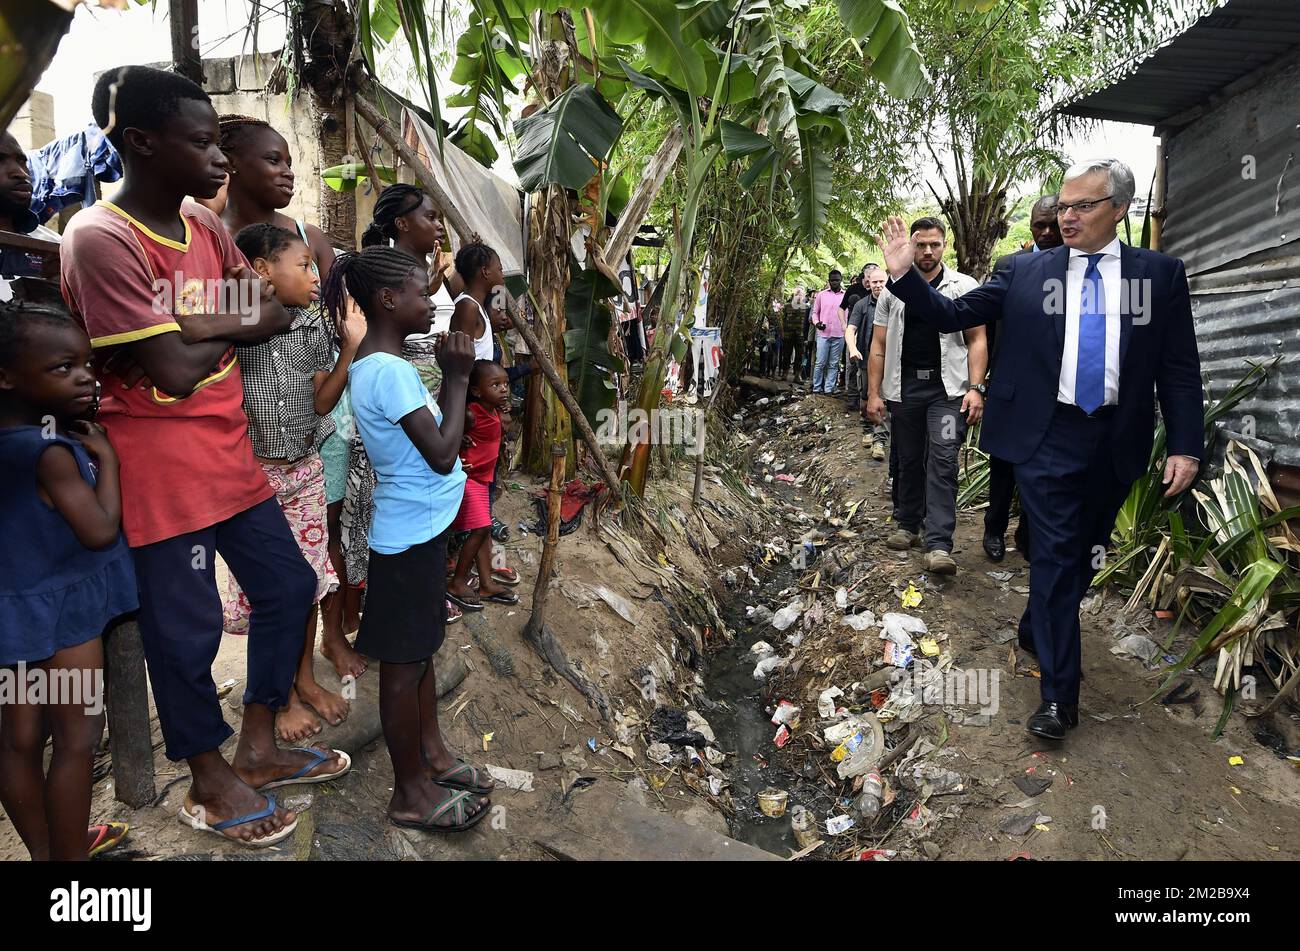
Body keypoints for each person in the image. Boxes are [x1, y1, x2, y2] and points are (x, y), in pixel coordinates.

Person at [61, 65, 349, 848]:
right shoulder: (100, 240)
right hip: (160, 471)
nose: (219, 156)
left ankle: (257, 745)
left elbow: (263, 309)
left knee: (288, 586)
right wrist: (212, 327)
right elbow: (174, 370)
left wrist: (185, 322)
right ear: (142, 144)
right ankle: (206, 773)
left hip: (229, 453)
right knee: (184, 631)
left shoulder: (202, 223)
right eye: (200, 141)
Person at [877, 158, 1203, 740]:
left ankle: (1040, 618)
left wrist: (1185, 444)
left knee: (1085, 552)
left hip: (1114, 438)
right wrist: (905, 277)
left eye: (1082, 206)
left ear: (1118, 210)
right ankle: (1059, 697)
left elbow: (1178, 369)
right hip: (1045, 435)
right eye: (1063, 204)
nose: (1066, 215)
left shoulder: (1159, 275)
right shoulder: (1025, 271)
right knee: (1053, 554)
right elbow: (955, 313)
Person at [324, 245, 494, 831]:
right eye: (424, 293)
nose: (432, 303)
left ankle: (432, 755)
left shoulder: (382, 365)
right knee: (403, 667)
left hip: (419, 531)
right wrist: (458, 375)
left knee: (420, 655)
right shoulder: (388, 372)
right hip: (407, 541)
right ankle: (409, 793)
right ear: (389, 301)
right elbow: (445, 454)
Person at [215, 114, 368, 678]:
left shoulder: (308, 236)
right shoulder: (213, 241)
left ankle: (323, 646)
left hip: (313, 417)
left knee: (318, 537)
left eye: (289, 161)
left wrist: (347, 353)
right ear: (232, 165)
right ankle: (279, 680)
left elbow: (333, 320)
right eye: (272, 161)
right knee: (269, 567)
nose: (287, 172)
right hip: (251, 450)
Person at [0, 300, 137, 860]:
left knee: (18, 742)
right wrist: (110, 462)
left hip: (12, 613)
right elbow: (100, 531)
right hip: (64, 616)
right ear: (6, 376)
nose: (85, 376)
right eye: (62, 368)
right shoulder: (50, 452)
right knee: (78, 740)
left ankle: (44, 855)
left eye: (86, 363)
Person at [223, 223, 365, 741]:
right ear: (262, 272)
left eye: (313, 265)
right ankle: (276, 697)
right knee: (270, 593)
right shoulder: (237, 327)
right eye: (303, 265)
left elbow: (322, 401)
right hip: (254, 478)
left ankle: (304, 678)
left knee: (308, 580)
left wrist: (349, 349)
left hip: (304, 470)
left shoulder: (313, 327)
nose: (313, 275)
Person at [866, 217, 986, 576]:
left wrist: (976, 388)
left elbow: (977, 338)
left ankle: (938, 544)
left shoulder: (963, 286)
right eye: (921, 245)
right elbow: (879, 344)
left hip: (948, 392)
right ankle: (908, 524)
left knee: (944, 459)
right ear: (911, 247)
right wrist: (873, 393)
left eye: (935, 244)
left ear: (945, 245)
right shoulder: (891, 291)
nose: (928, 251)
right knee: (908, 458)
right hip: (905, 390)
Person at [983, 194, 1062, 562]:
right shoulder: (1009, 264)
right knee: (1003, 466)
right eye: (1038, 226)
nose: (1046, 232)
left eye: (1052, 225)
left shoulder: (1076, 268)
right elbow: (987, 321)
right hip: (1010, 383)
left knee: (1043, 470)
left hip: (1054, 390)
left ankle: (1028, 536)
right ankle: (993, 530)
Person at [447, 360, 520, 611]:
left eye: (505, 384)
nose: (503, 389)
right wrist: (458, 453)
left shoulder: (495, 410)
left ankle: (486, 583)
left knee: (484, 530)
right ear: (477, 391)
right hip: (470, 478)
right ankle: (457, 581)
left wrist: (505, 410)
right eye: (495, 385)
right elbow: (449, 434)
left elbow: (507, 429)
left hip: (484, 478)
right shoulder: (471, 413)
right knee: (480, 529)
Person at [846, 266, 886, 421]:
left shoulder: (895, 303)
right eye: (874, 282)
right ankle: (868, 427)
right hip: (866, 358)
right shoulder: (861, 305)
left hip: (889, 359)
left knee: (886, 397)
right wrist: (853, 348)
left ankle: (882, 435)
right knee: (866, 395)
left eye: (881, 281)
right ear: (869, 283)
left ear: (887, 282)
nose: (878, 285)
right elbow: (850, 329)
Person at [809, 269, 845, 394]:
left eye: (837, 280)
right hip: (823, 335)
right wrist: (817, 323)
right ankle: (816, 388)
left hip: (839, 334)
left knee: (834, 364)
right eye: (832, 280)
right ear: (829, 281)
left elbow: (849, 314)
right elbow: (815, 313)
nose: (834, 282)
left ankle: (829, 389)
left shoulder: (845, 296)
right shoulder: (821, 295)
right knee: (820, 362)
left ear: (841, 280)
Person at [780, 288, 806, 381]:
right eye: (797, 294)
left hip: (800, 335)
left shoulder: (806, 307)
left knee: (800, 355)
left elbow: (806, 323)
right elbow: (782, 320)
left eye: (800, 294)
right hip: (788, 334)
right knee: (786, 354)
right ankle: (785, 372)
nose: (798, 296)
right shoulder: (787, 306)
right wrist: (782, 332)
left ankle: (797, 375)